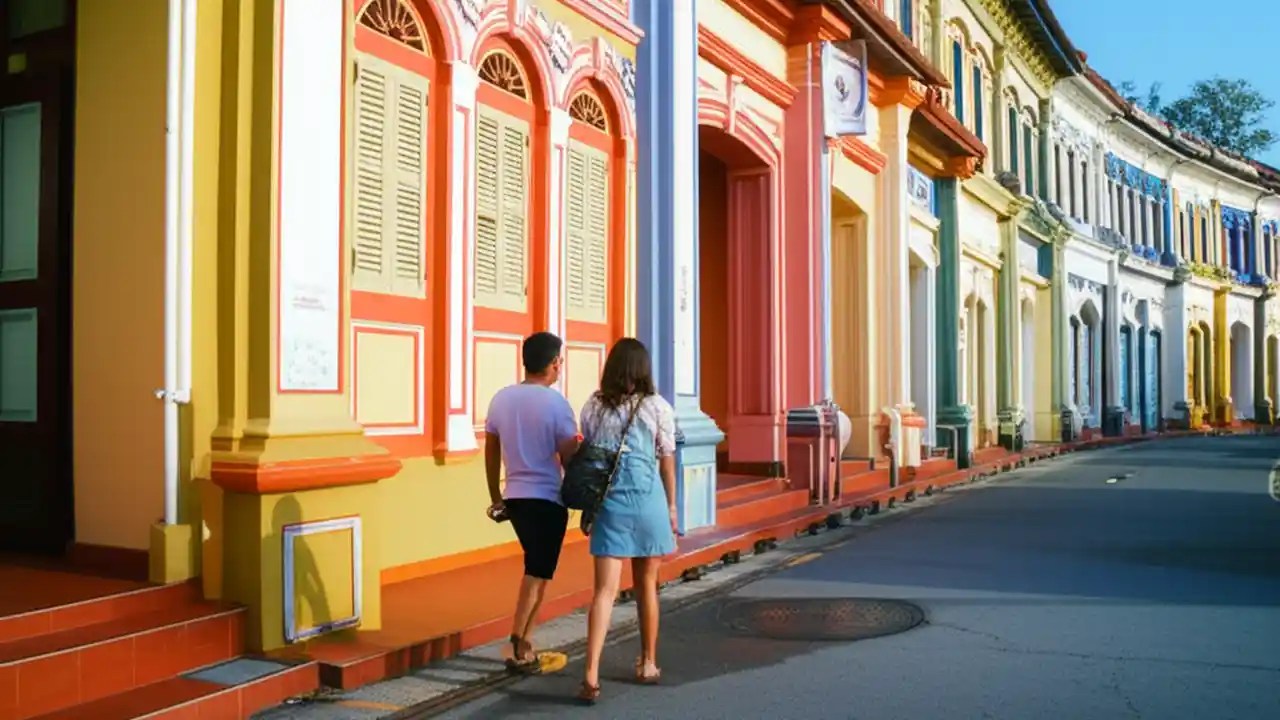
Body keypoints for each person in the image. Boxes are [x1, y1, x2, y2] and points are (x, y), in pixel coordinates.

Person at [575, 338, 678, 704]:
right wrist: (671, 506)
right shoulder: (657, 407)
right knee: (647, 585)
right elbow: (666, 460)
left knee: (604, 592)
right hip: (648, 500)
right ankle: (648, 662)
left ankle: (590, 673)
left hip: (610, 504)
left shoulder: (594, 406)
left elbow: (587, 448)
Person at [484, 331, 581, 673]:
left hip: (516, 498)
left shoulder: (501, 399)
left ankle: (525, 639)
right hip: (548, 499)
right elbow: (569, 455)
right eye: (561, 362)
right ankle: (520, 643)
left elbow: (491, 451)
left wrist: (496, 497)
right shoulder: (557, 404)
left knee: (536, 567)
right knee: (538, 573)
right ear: (554, 363)